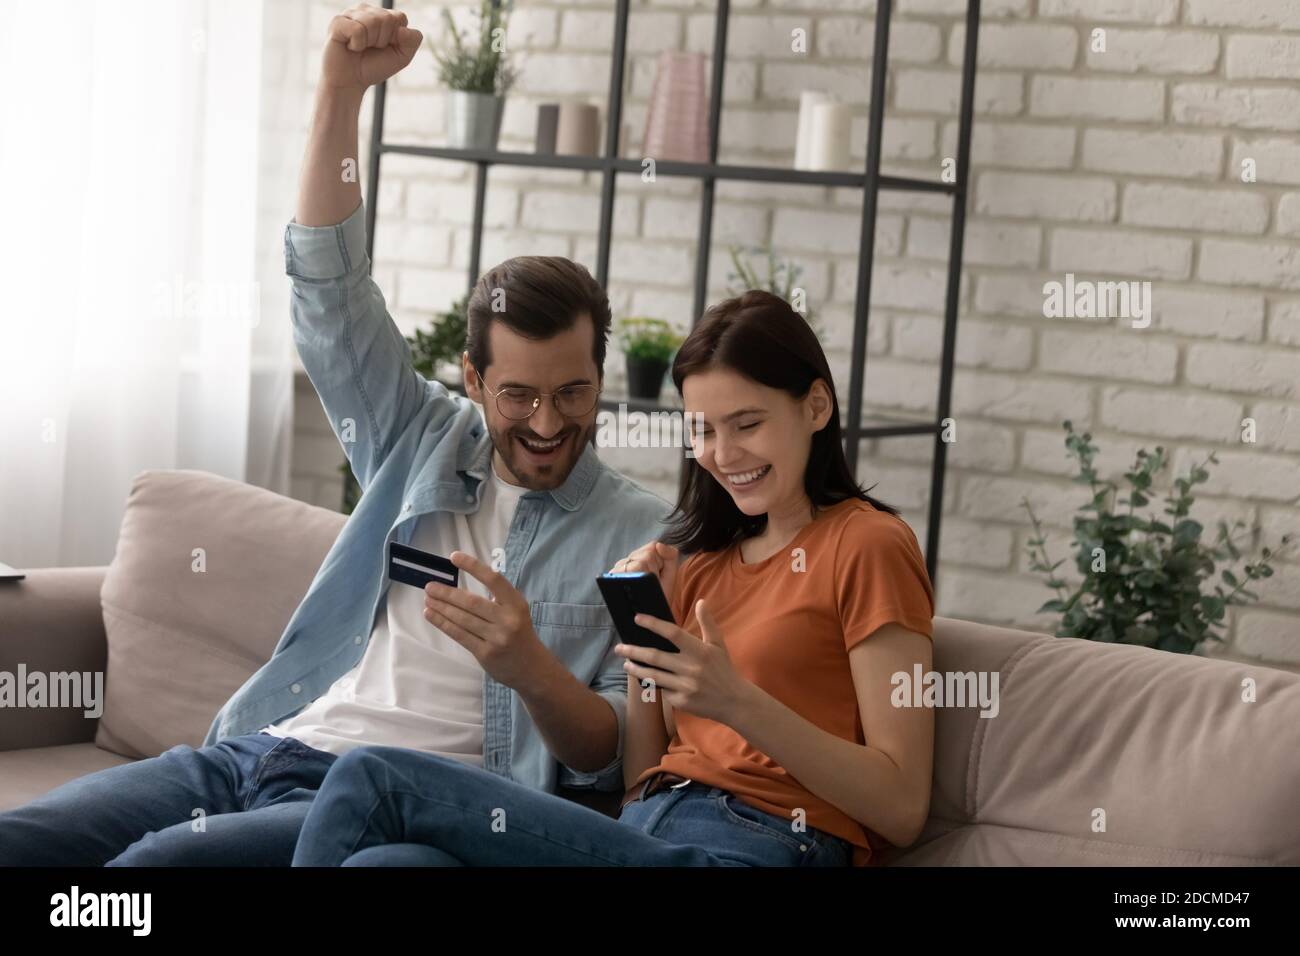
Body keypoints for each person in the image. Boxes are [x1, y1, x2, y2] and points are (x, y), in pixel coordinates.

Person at [0, 3, 668, 866]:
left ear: (602, 375)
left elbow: (614, 750)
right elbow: (329, 292)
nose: (548, 423)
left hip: (398, 799)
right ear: (472, 380)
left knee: (147, 875)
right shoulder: (418, 437)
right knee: (23, 842)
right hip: (263, 747)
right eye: (518, 396)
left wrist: (528, 662)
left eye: (574, 392)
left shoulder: (640, 535)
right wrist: (340, 91)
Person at [291, 289, 936, 867]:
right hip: (648, 827)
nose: (723, 454)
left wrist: (737, 701)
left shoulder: (869, 545)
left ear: (816, 406)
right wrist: (640, 633)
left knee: (373, 779)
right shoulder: (700, 562)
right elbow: (639, 777)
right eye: (703, 430)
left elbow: (902, 808)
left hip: (761, 844)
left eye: (748, 423)